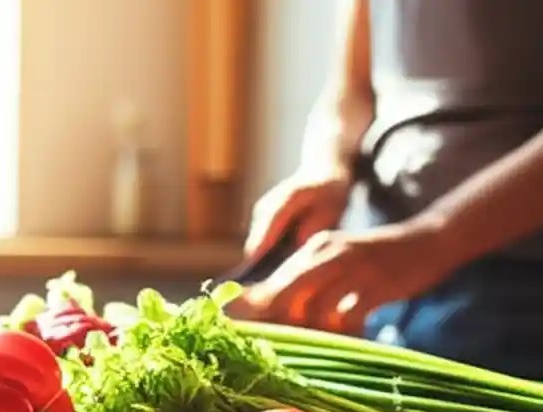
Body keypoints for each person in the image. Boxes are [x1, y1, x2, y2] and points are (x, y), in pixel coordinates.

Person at [232, 0, 543, 379]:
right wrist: (327, 165)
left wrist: (435, 239)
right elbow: (352, 89)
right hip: (377, 282)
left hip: (520, 295)